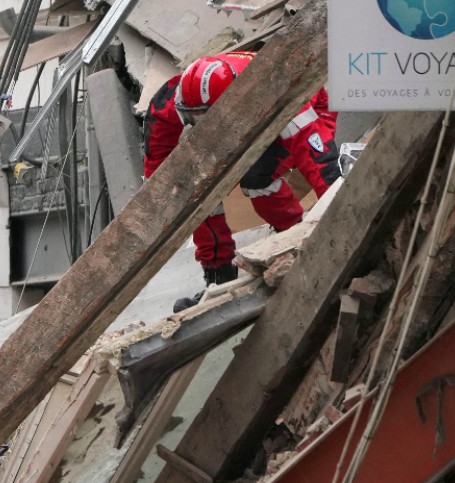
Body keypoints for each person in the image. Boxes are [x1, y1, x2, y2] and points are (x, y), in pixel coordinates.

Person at [145, 48, 340, 310]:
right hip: (242, 118)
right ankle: (218, 275)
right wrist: (163, 200)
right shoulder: (169, 101)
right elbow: (159, 170)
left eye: (209, 118)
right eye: (195, 118)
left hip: (312, 106)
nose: (203, 126)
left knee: (257, 179)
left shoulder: (278, 90)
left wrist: (341, 219)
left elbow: (320, 161)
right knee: (193, 190)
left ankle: (292, 237)